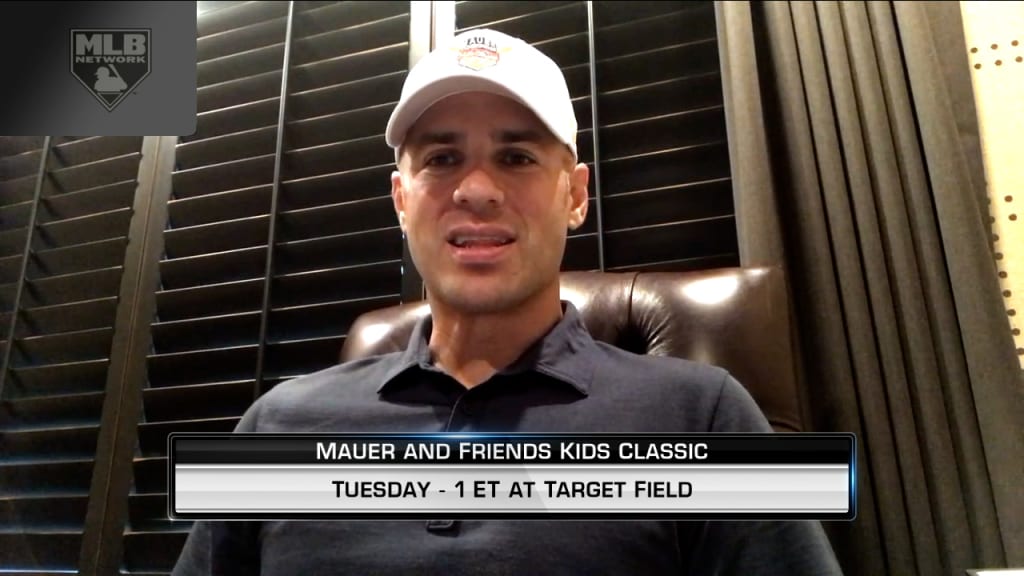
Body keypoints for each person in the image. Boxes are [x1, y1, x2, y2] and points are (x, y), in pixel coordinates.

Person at [172, 28, 844, 575]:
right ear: (401, 201)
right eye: (441, 159)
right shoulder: (274, 426)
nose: (478, 190)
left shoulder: (706, 414)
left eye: (517, 157)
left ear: (575, 194)